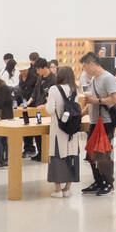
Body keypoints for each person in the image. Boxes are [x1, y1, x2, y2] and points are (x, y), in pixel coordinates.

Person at [79, 52, 116, 196]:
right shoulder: (94, 79)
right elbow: (91, 101)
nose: (84, 70)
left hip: (106, 122)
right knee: (91, 154)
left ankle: (109, 183)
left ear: (91, 64)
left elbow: (115, 99)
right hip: (94, 121)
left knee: (104, 154)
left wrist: (96, 102)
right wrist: (82, 113)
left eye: (85, 67)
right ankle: (98, 181)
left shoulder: (108, 78)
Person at [46, 66, 84, 198]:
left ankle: (57, 190)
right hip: (72, 130)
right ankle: (67, 189)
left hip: (58, 129)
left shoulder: (53, 89)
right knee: (72, 157)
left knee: (57, 157)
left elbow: (50, 109)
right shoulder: (74, 90)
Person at [23, 58, 53, 161]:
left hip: (47, 110)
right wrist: (28, 102)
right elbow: (35, 92)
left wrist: (45, 104)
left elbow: (52, 97)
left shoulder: (53, 79)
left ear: (45, 68)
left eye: (39, 69)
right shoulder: (40, 77)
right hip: (38, 109)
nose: (37, 72)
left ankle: (44, 153)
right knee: (38, 131)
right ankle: (40, 153)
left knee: (45, 132)